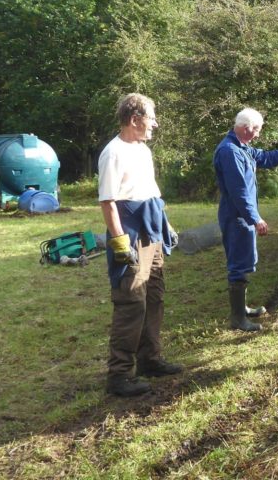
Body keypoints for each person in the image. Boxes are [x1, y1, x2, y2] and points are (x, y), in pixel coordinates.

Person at [98, 93, 183, 397]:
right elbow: (108, 202)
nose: (155, 124)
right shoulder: (113, 153)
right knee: (131, 300)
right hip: (130, 235)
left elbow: (151, 192)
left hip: (152, 233)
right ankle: (119, 375)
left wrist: (166, 225)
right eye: (151, 118)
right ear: (134, 119)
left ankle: (150, 359)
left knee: (154, 295)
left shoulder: (143, 151)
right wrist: (120, 241)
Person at [214, 108, 278, 331]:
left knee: (244, 260)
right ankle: (237, 319)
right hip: (236, 216)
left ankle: (242, 308)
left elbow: (265, 157)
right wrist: (256, 218)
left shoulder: (242, 147)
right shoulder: (229, 152)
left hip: (241, 215)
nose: (258, 135)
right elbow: (239, 192)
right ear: (247, 128)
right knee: (238, 264)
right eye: (257, 131)